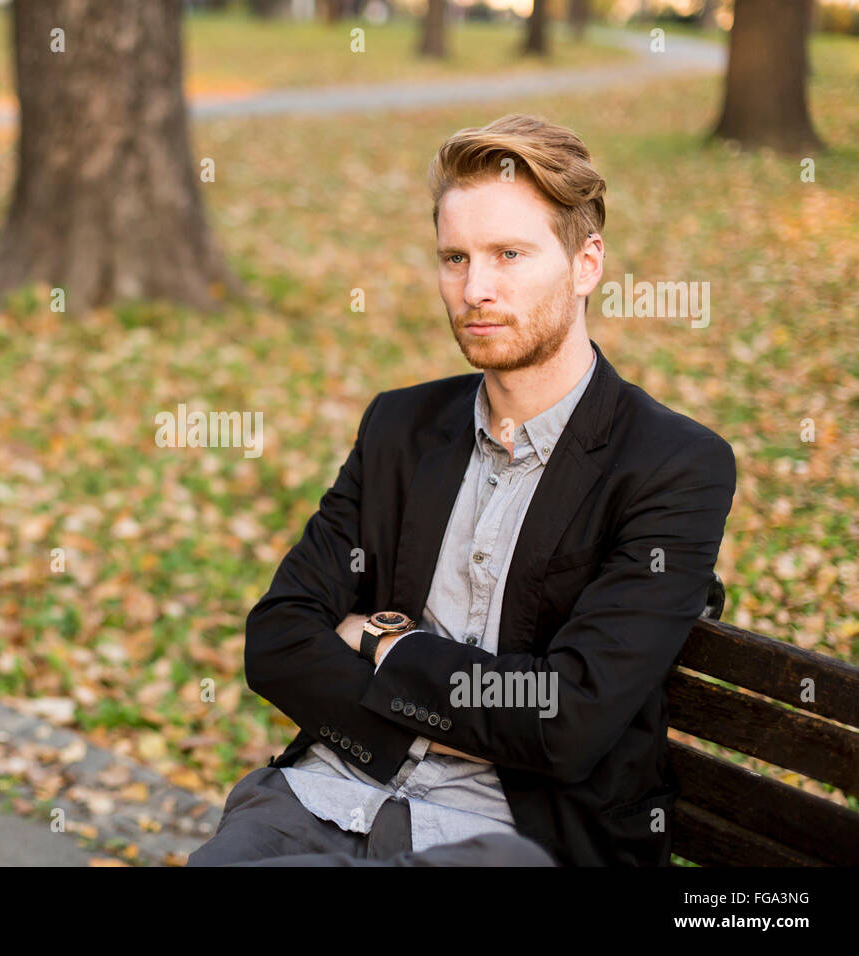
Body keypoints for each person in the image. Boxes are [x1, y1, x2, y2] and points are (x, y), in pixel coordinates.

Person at [188, 113, 736, 867]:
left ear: (586, 263)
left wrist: (385, 644)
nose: (475, 289)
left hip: (512, 836)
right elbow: (278, 640)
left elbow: (564, 718)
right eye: (455, 258)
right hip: (329, 794)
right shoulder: (401, 427)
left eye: (509, 254)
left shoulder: (672, 464)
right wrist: (442, 706)